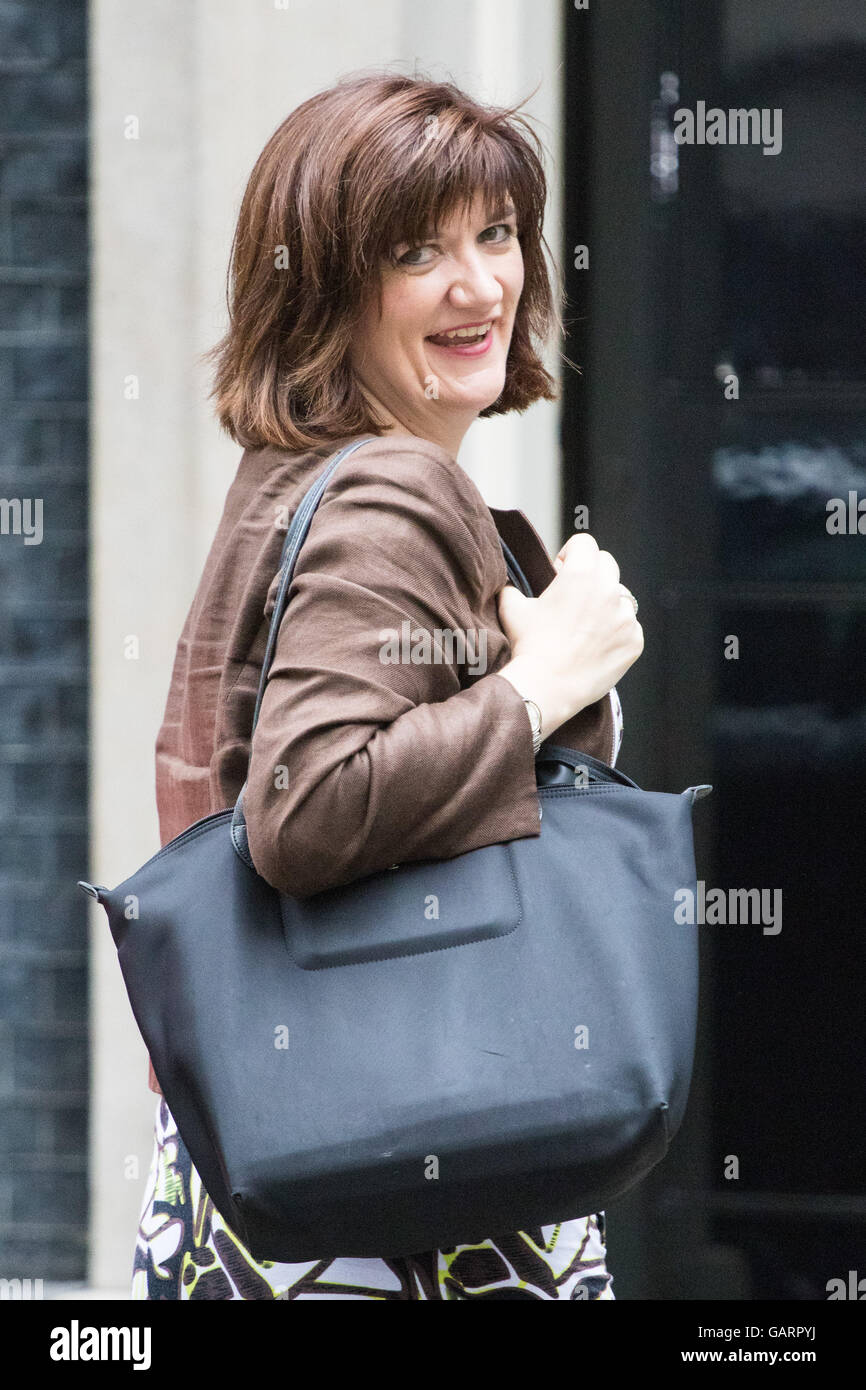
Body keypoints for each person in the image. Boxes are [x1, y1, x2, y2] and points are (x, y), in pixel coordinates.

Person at [131, 70, 643, 1300]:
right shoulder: (388, 490)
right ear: (324, 288)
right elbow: (303, 810)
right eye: (418, 251)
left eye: (497, 234)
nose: (480, 286)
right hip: (413, 1190)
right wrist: (543, 684)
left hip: (275, 1151)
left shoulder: (288, 475)